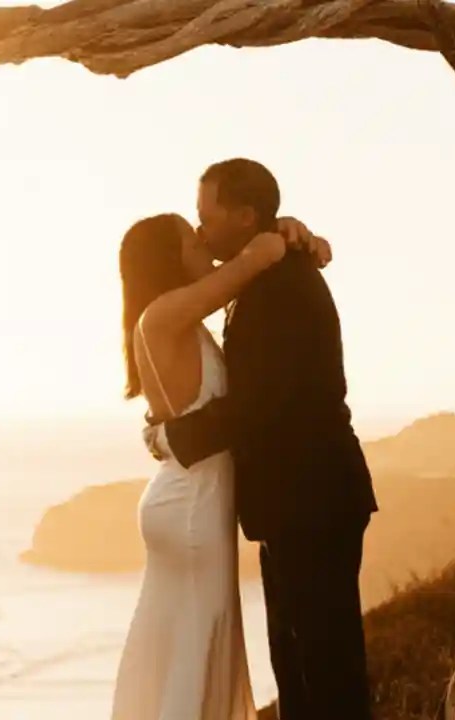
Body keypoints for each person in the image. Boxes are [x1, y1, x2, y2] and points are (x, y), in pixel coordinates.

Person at [145, 159, 378, 720]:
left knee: (324, 666)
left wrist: (174, 438)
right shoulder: (265, 273)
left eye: (207, 217)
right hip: (295, 504)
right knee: (298, 660)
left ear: (246, 216)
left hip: (314, 499)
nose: (200, 230)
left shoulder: (279, 287)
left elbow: (258, 402)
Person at [110, 209, 329, 720]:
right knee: (197, 647)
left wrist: (289, 226)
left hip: (188, 498)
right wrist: (283, 230)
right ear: (169, 258)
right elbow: (251, 261)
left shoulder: (171, 317)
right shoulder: (163, 314)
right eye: (192, 239)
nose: (203, 244)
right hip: (193, 507)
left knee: (185, 645)